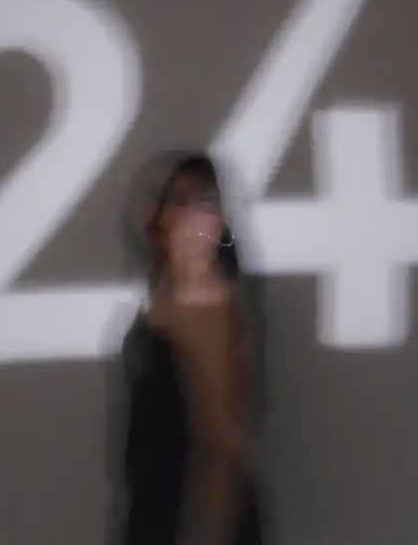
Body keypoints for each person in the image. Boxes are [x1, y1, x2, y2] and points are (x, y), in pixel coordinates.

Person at [117, 152, 266, 545]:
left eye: (205, 203)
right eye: (179, 202)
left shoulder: (224, 313)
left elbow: (223, 445)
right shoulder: (155, 320)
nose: (193, 220)